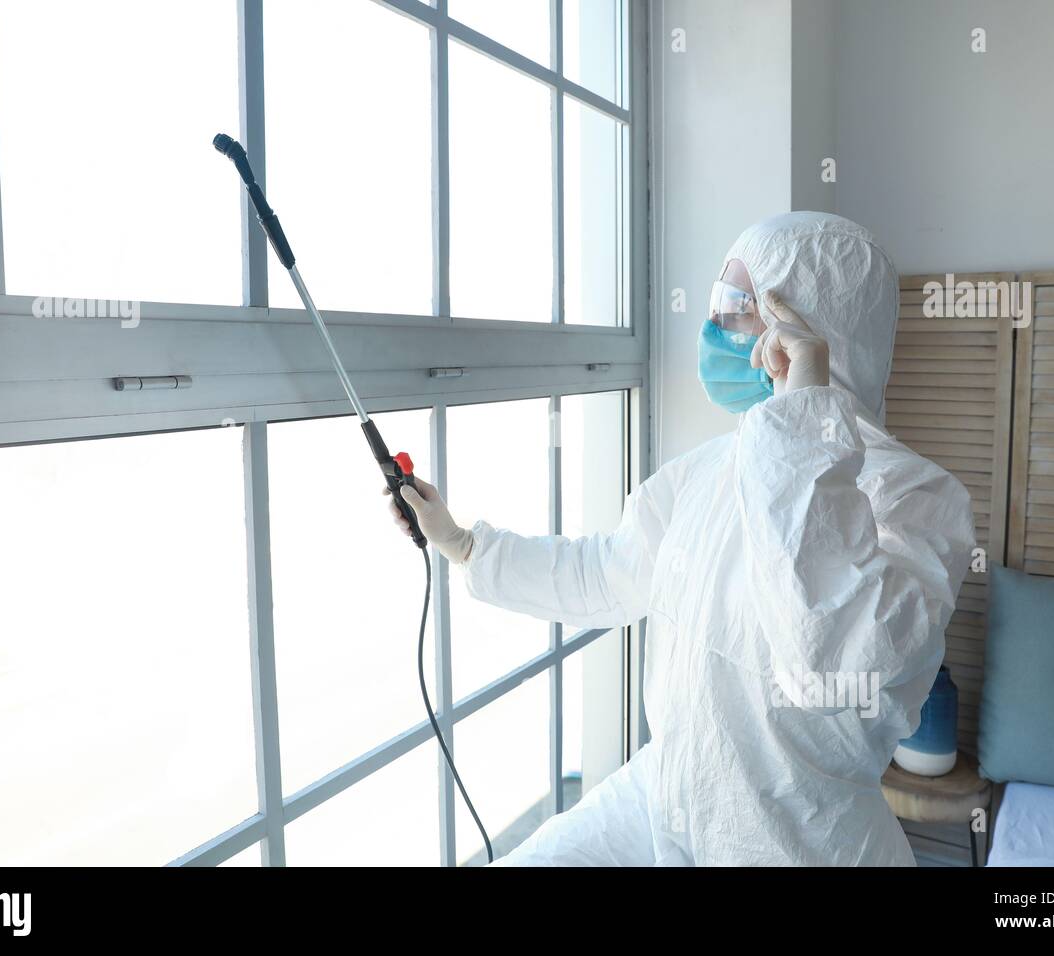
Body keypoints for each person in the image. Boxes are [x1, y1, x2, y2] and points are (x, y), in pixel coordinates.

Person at [388, 212, 975, 865]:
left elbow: (835, 656)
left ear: (815, 327)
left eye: (738, 306)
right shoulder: (707, 473)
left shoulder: (919, 501)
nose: (713, 328)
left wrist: (804, 421)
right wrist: (468, 545)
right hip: (666, 797)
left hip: (799, 844)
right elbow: (605, 573)